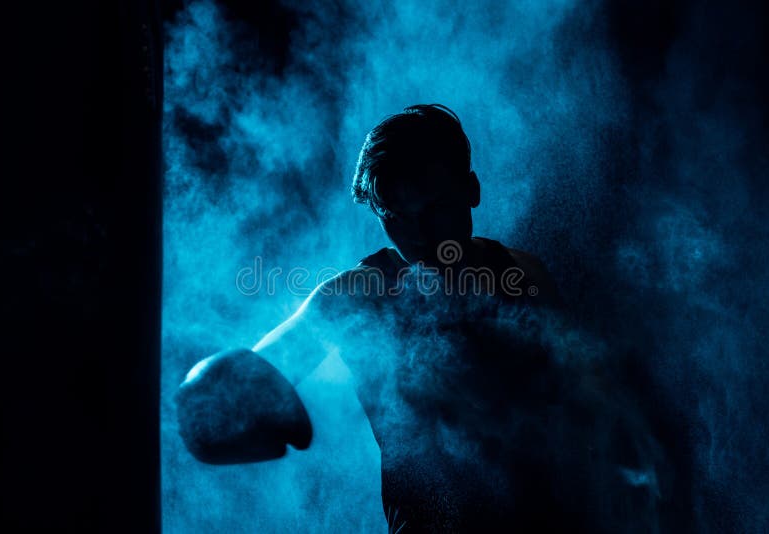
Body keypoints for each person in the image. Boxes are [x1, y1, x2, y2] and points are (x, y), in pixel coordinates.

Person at [177, 105, 665, 532]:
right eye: (395, 215)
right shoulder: (357, 296)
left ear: (470, 190)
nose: (419, 233)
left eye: (436, 209)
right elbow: (235, 388)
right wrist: (214, 405)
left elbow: (595, 398)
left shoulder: (520, 274)